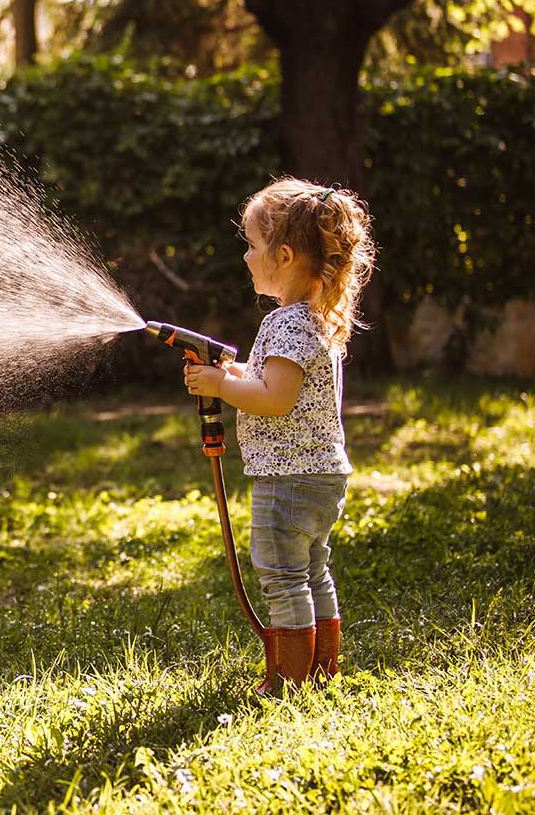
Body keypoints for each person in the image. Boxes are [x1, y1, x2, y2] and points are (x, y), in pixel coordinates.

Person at [183, 176, 376, 694]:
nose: (246, 257)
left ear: (284, 255)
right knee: (312, 571)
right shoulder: (313, 319)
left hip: (288, 479)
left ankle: (289, 681)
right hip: (321, 476)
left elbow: (275, 398)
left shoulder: (286, 323)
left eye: (251, 245)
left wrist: (220, 385)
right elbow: (273, 378)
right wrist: (233, 371)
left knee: (283, 576)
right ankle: (322, 670)